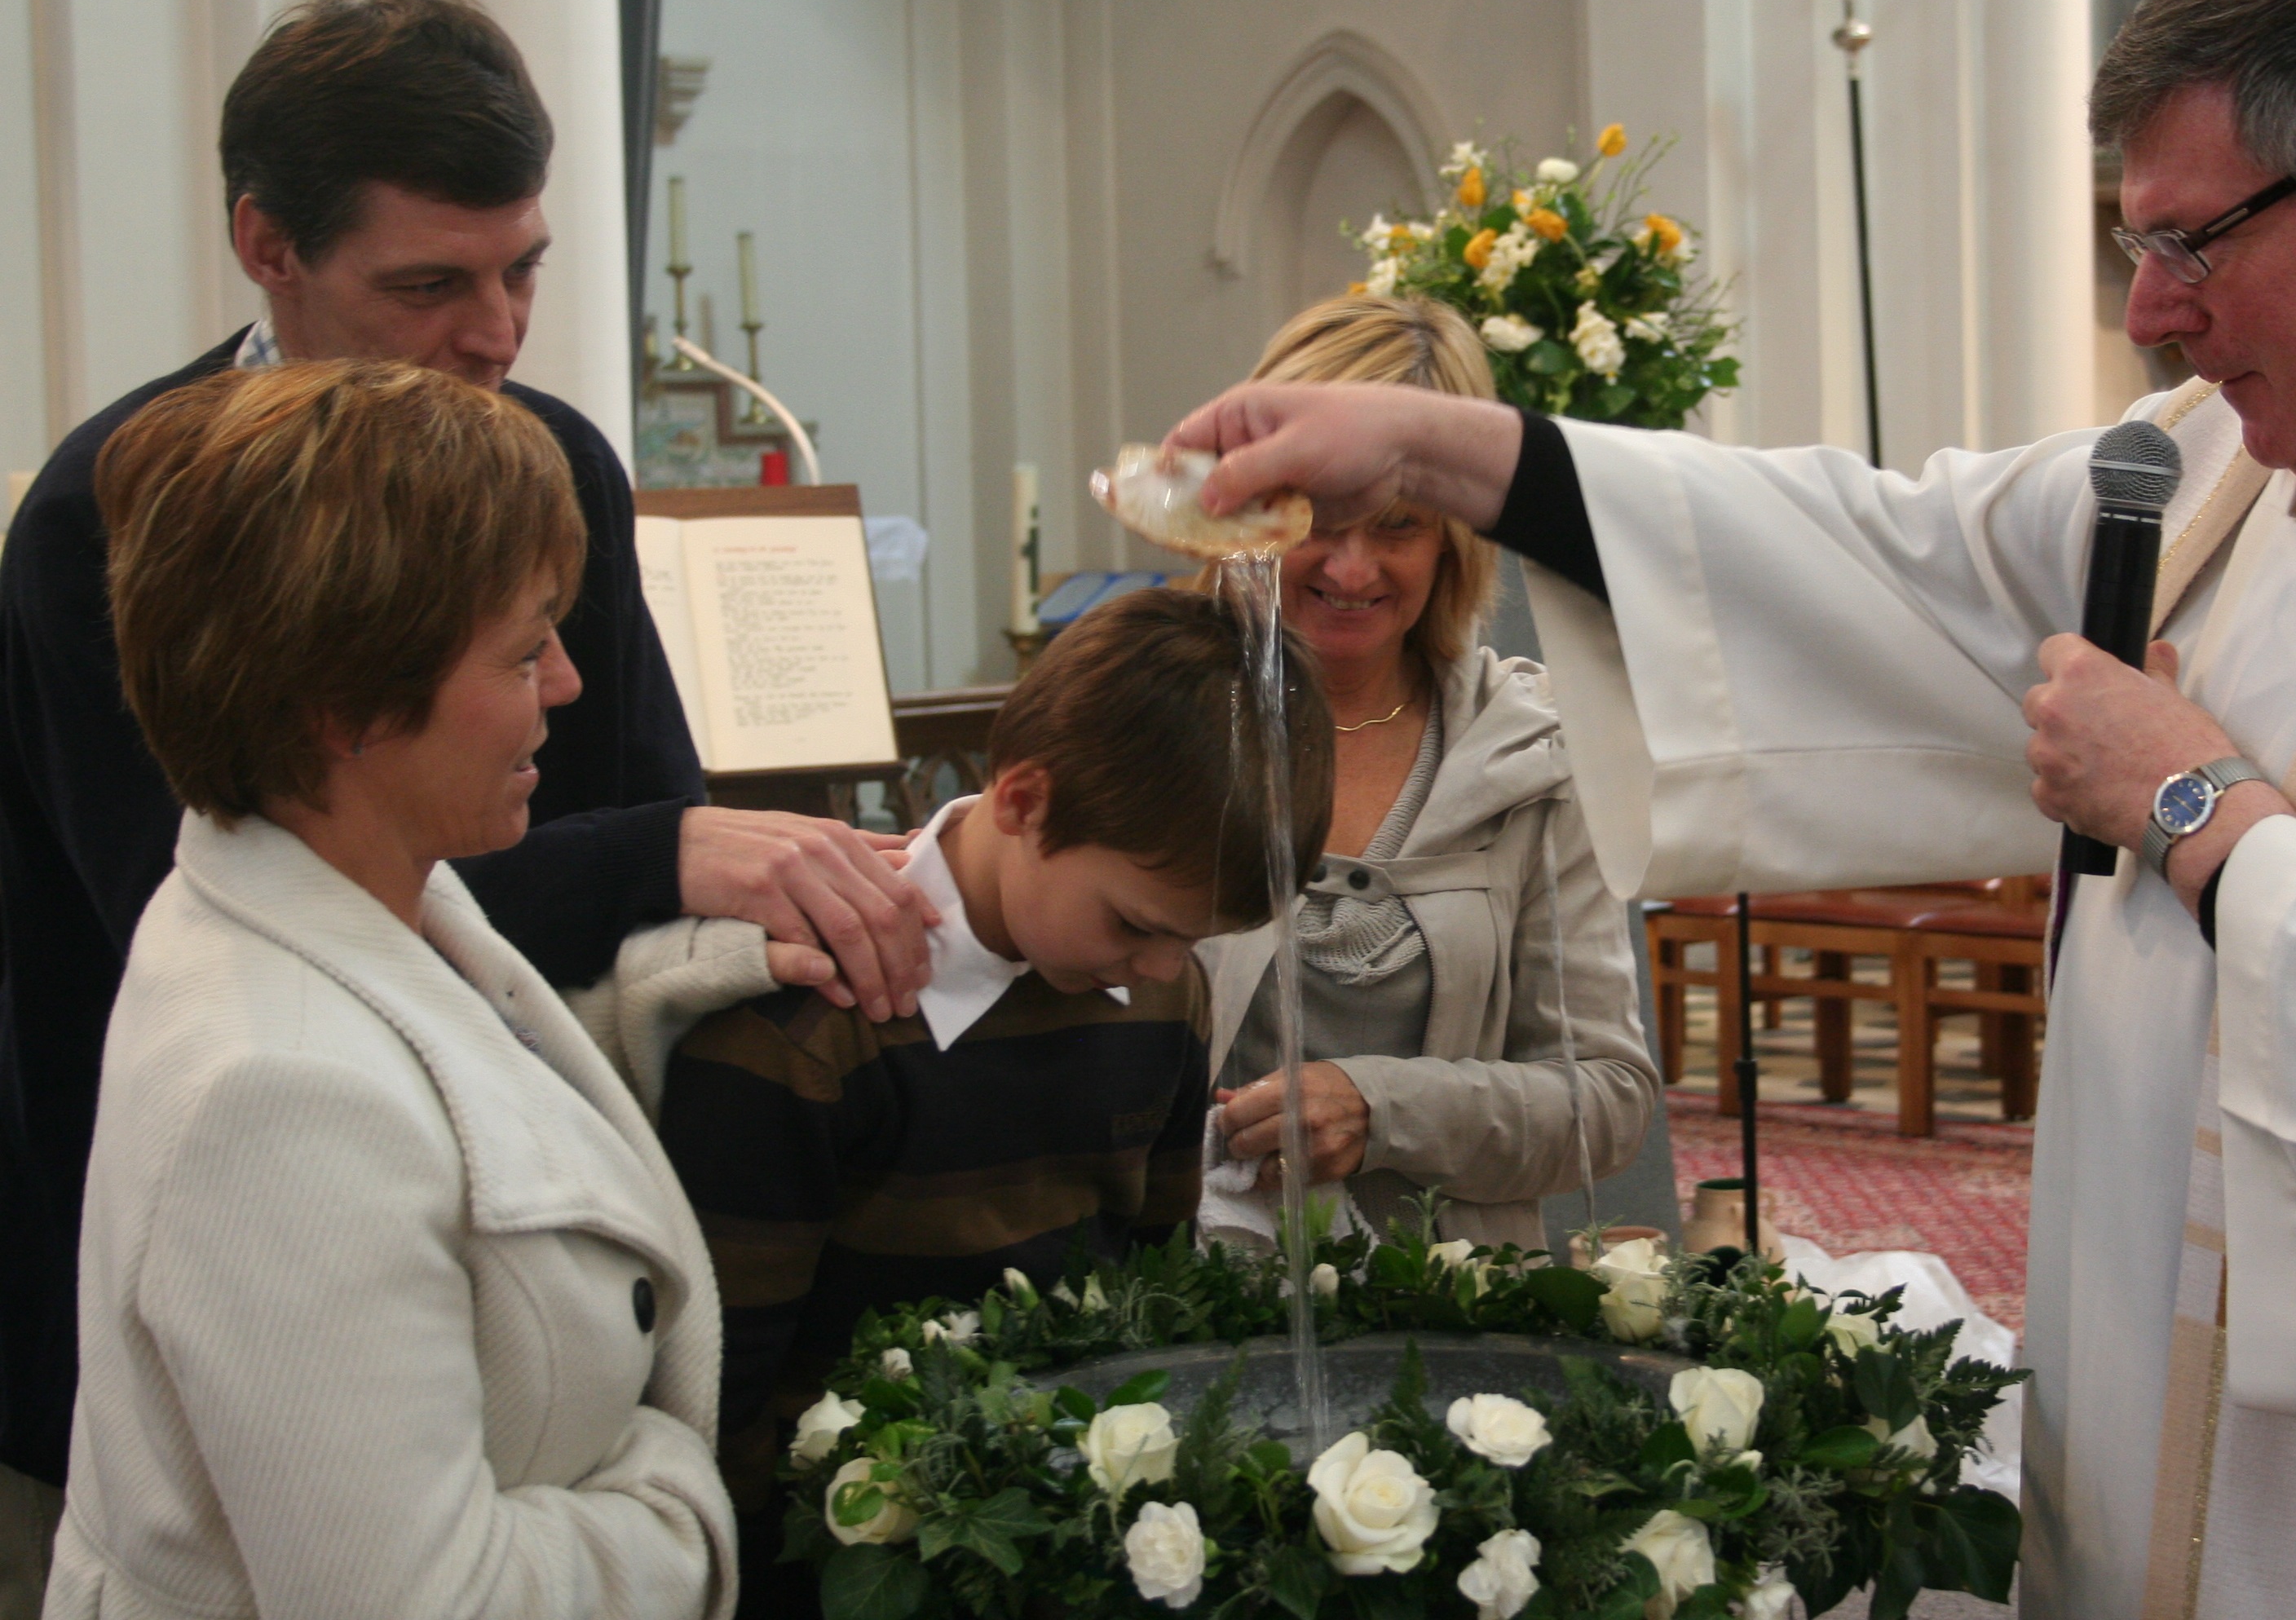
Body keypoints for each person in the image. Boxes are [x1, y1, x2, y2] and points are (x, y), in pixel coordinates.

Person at [1171, 0, 2296, 1618]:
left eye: (2192, 242)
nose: (2152, 314)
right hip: (2167, 1426)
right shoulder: (2254, 462)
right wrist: (1439, 448)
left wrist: (2192, 805)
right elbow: (1891, 559)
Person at [0, 0, 935, 1573]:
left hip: (510, 1253)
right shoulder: (126, 507)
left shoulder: (552, 458)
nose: (494, 334)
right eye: (429, 285)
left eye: (524, 273)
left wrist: (777, 924)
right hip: (204, 1292)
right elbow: (248, 892)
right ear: (266, 245)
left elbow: (646, 863)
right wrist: (667, 857)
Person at [52, 361, 809, 1618]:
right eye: (523, 650)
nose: (565, 683)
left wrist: (735, 970)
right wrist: (674, 1501)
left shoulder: (367, 890)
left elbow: (481, 1086)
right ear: (346, 707)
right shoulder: (274, 1099)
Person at [652, 587, 1333, 1618]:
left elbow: (1153, 1297)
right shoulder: (807, 1024)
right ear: (1023, 802)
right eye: (1133, 923)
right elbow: (716, 1404)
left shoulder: (1162, 991)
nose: (1159, 965)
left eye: (1188, 940)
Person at [1201, 296, 1657, 1253]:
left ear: (1455, 538)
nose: (1354, 567)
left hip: (1451, 1316)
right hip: (1181, 1307)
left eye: (1400, 525)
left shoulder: (1533, 751)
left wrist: (1382, 1109)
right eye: (1320, 518)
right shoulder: (1163, 719)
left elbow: (1607, 1099)